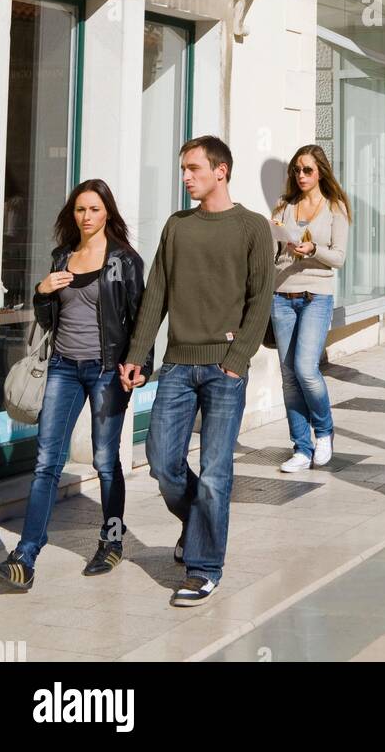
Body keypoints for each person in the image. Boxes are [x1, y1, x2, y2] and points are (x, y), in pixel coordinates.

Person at [121, 136, 274, 607]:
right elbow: (156, 295)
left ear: (221, 170)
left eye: (193, 168)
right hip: (178, 366)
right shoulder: (178, 226)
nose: (185, 176)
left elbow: (260, 298)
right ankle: (198, 523)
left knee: (214, 471)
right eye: (183, 168)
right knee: (164, 464)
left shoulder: (252, 227)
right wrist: (137, 354)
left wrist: (237, 360)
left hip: (224, 368)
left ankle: (204, 567)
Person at [0, 181, 150, 592]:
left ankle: (111, 541)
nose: (86, 216)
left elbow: (141, 317)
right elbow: (46, 318)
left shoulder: (124, 261)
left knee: (105, 460)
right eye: (80, 209)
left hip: (108, 370)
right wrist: (42, 291)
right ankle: (25, 556)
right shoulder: (63, 257)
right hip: (62, 367)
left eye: (94, 209)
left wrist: (141, 365)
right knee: (46, 462)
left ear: (107, 212)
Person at [270, 145, 351, 472]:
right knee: (289, 376)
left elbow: (339, 258)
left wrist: (314, 248)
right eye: (297, 170)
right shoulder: (284, 205)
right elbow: (275, 251)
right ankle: (301, 447)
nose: (301, 176)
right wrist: (273, 232)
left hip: (317, 294)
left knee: (305, 368)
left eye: (307, 170)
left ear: (321, 172)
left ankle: (325, 431)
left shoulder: (335, 208)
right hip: (281, 294)